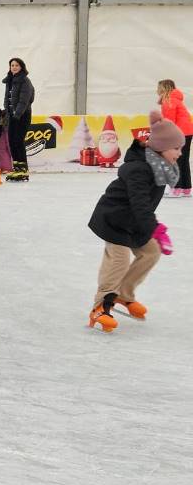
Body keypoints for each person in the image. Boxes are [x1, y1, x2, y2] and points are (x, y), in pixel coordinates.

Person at [87, 110, 183, 332]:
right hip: (114, 219)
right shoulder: (140, 169)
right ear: (160, 147)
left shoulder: (161, 167)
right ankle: (101, 305)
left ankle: (123, 294)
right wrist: (156, 229)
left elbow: (143, 208)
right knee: (118, 260)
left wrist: (152, 230)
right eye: (176, 148)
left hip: (133, 222)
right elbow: (140, 204)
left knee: (151, 252)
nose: (180, 153)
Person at [157, 79, 192, 197]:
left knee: (176, 160)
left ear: (164, 88)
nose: (157, 90)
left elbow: (170, 121)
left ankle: (176, 189)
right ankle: (186, 188)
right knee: (183, 160)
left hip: (179, 133)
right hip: (187, 132)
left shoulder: (169, 100)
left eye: (159, 87)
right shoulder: (175, 99)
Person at [2, 57, 35, 182]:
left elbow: (24, 100)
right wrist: (6, 110)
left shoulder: (25, 81)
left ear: (21, 67)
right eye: (12, 65)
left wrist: (17, 114)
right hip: (11, 116)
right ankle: (17, 169)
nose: (14, 67)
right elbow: (7, 98)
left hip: (22, 116)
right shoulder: (9, 81)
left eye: (16, 65)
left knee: (18, 141)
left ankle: (23, 170)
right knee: (12, 142)